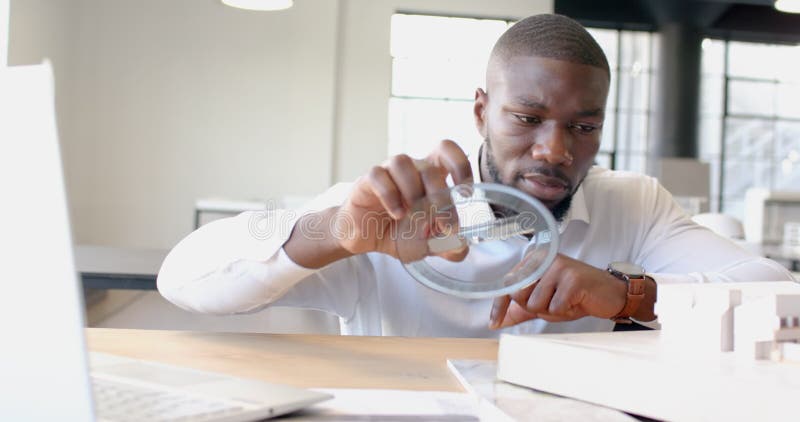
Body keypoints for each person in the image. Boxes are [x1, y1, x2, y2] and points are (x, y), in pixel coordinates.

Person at [157, 14, 792, 337]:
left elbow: (782, 298)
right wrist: (338, 231)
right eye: (528, 118)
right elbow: (182, 279)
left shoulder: (633, 203)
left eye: (583, 126)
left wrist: (630, 294)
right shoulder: (398, 208)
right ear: (482, 111)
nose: (554, 150)